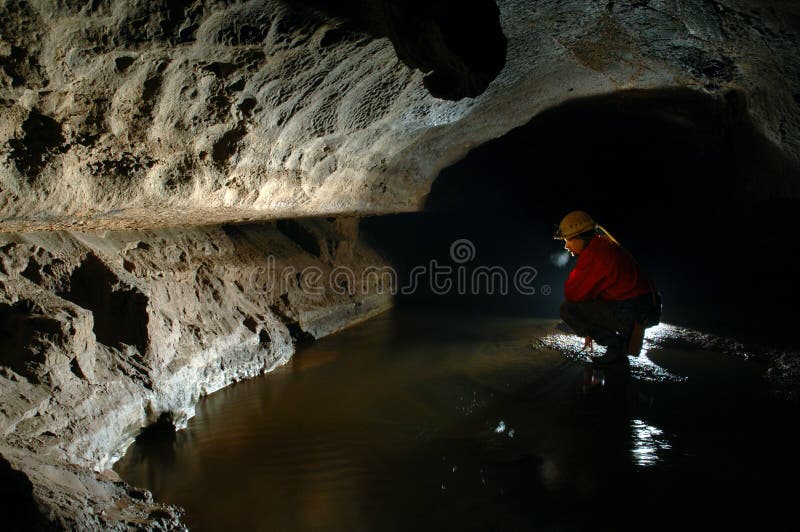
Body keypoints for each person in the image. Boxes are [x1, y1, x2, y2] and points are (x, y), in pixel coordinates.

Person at [554, 211, 661, 366]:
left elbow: (572, 294)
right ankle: (619, 345)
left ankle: (615, 346)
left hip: (636, 310)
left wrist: (588, 328)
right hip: (644, 306)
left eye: (568, 239)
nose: (566, 245)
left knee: (568, 309)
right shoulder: (602, 245)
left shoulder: (595, 254)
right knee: (592, 301)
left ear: (582, 236)